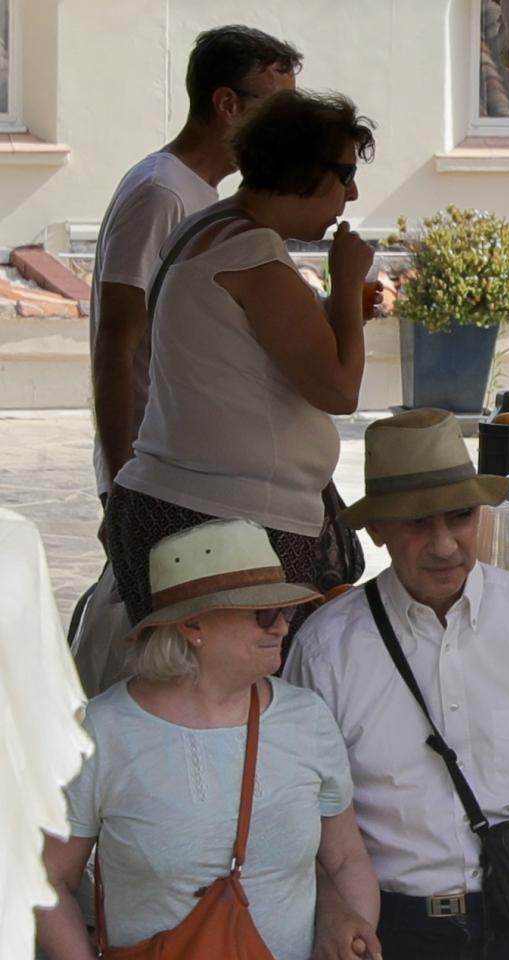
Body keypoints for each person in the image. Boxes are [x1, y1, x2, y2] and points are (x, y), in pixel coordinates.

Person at [286, 409, 509, 959]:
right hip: (396, 929)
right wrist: (332, 910)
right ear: (377, 529)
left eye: (460, 517)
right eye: (418, 523)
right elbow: (300, 817)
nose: (444, 544)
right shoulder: (327, 649)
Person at [73, 24, 302, 697]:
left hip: (188, 471)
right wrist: (122, 488)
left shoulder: (207, 198)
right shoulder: (161, 192)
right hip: (157, 475)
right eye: (273, 107)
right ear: (228, 104)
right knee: (152, 663)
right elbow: (117, 343)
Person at [36, 518, 379, 959]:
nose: (282, 627)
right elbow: (49, 879)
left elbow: (346, 858)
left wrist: (353, 930)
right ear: (193, 625)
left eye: (286, 610)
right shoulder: (102, 731)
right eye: (264, 613)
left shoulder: (307, 718)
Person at [105, 88, 375, 633]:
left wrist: (329, 312)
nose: (351, 192)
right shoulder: (252, 255)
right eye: (344, 172)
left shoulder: (208, 229)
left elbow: (244, 351)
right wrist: (345, 285)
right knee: (242, 698)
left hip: (184, 503)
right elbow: (339, 391)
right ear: (302, 170)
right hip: (228, 518)